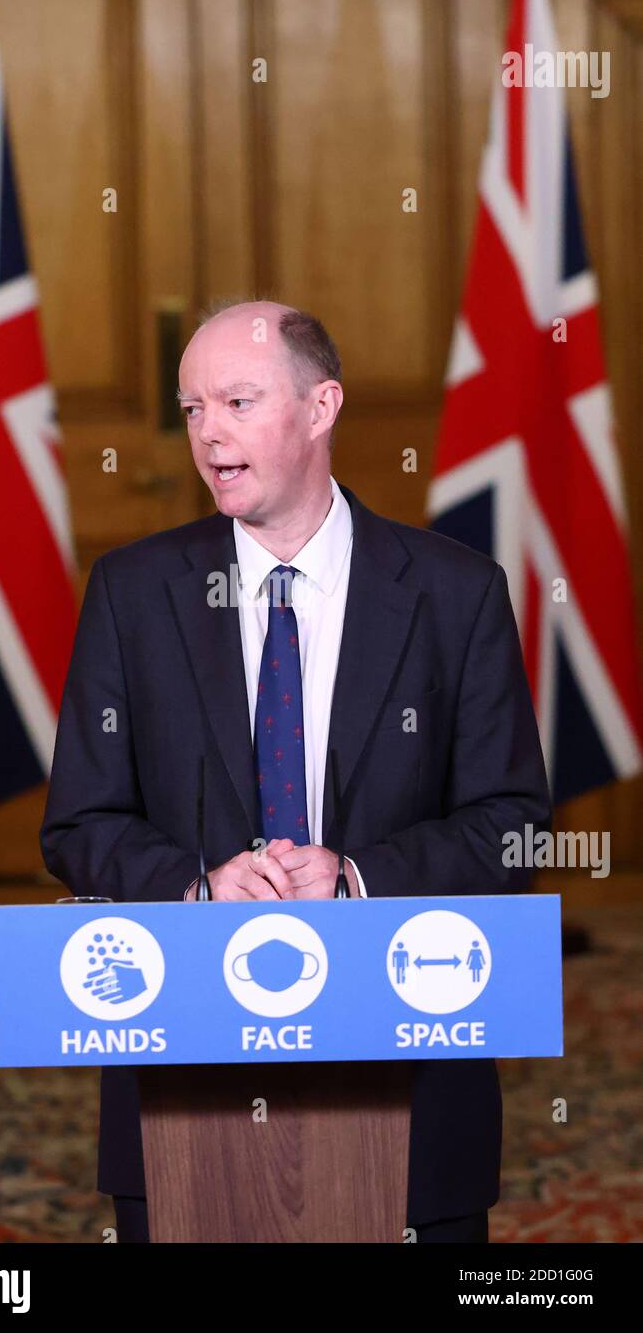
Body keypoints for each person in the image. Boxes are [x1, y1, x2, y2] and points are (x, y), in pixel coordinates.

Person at [40, 300, 551, 1244]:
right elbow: (79, 823)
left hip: (408, 1083)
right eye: (192, 407)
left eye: (237, 399)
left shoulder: (455, 592)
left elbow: (512, 823)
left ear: (322, 408)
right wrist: (196, 887)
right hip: (185, 1092)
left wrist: (361, 879)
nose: (208, 432)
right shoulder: (131, 591)